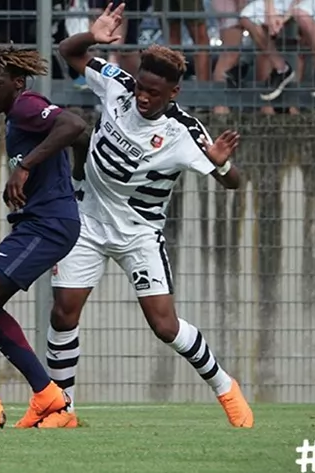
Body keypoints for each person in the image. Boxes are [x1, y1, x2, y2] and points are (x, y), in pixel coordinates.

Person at [47, 3, 253, 429]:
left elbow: (235, 184)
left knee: (164, 326)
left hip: (139, 234)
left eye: (153, 92)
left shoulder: (185, 132)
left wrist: (219, 164)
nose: (142, 96)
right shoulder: (117, 86)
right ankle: (60, 409)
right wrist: (94, 37)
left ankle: (225, 387)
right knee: (63, 311)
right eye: (141, 87)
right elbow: (68, 52)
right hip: (88, 220)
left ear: (173, 93)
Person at [0, 44, 88, 431]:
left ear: (18, 83)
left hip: (47, 225)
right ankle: (48, 398)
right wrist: (72, 172)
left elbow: (75, 125)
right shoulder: (18, 115)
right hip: (42, 223)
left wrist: (26, 168)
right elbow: (78, 137)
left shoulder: (27, 105)